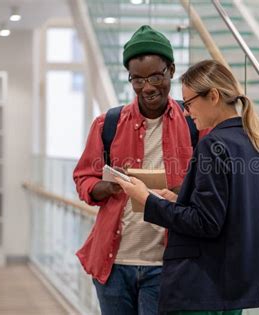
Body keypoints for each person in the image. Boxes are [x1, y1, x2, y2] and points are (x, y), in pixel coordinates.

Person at [115, 59, 259, 314]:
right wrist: (178, 201)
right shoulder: (249, 142)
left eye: (189, 103)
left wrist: (148, 200)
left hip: (203, 287)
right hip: (231, 287)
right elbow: (226, 215)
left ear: (214, 96)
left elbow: (205, 223)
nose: (186, 112)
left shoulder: (213, 145)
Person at [73, 25, 198, 315]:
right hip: (114, 265)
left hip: (166, 265)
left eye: (156, 76)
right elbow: (83, 178)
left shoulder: (193, 122)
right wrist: (104, 187)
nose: (148, 87)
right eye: (138, 79)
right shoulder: (108, 124)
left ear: (171, 71)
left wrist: (181, 192)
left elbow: (206, 185)